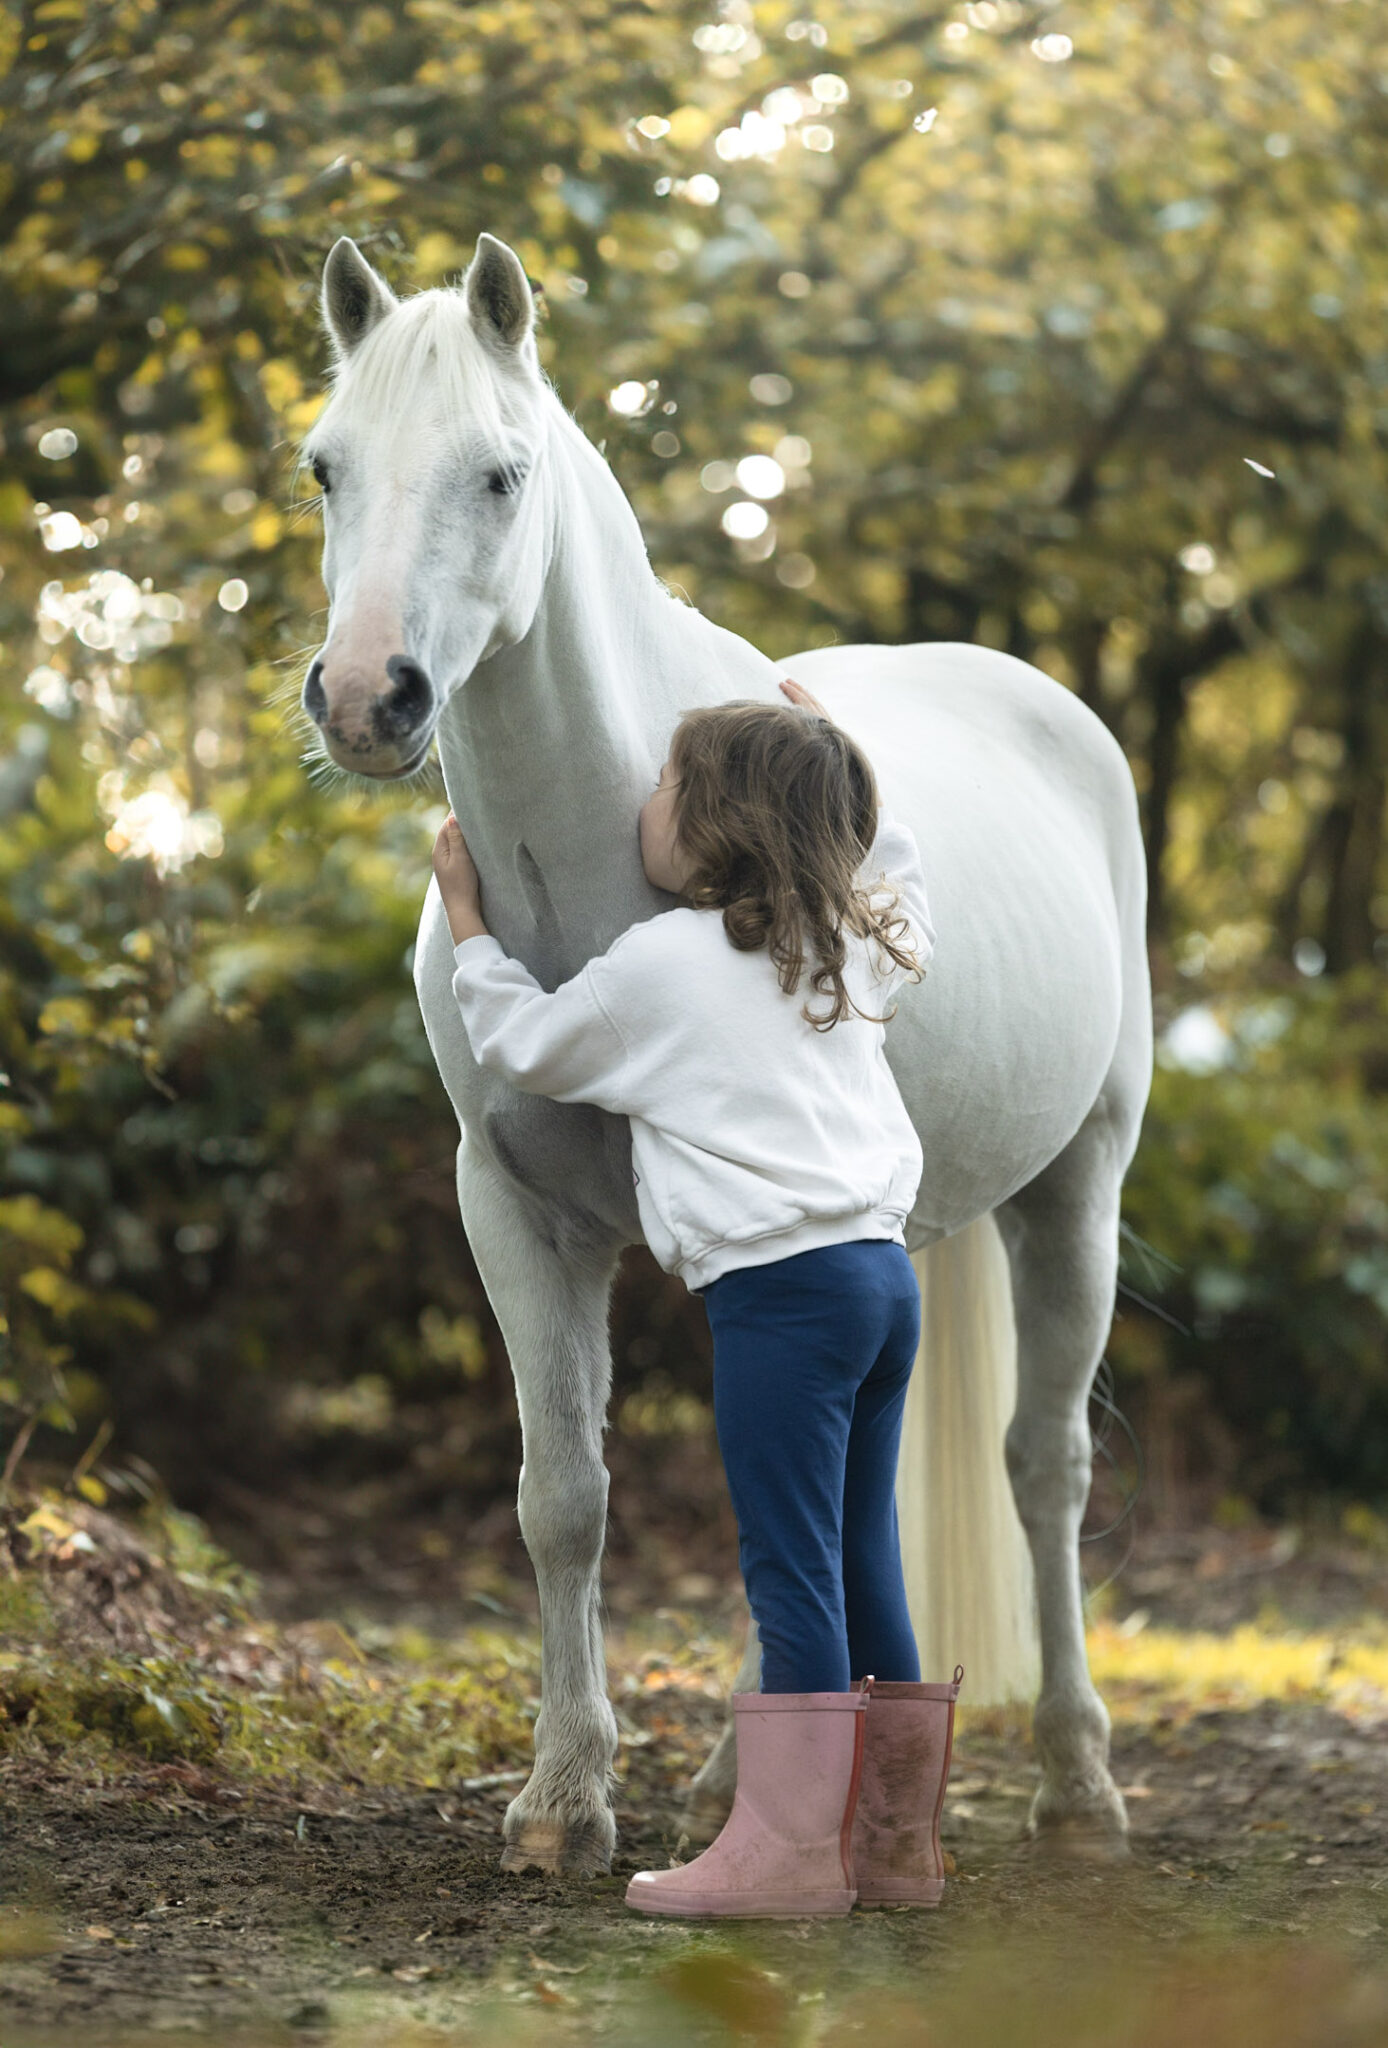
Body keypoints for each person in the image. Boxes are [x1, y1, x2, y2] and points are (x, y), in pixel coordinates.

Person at [431, 676, 961, 1919]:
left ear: (715, 820)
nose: (647, 801)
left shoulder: (663, 964)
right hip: (882, 1281)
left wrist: (466, 923)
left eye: (668, 783)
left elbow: (524, 1046)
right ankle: (893, 1846)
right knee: (860, 1549)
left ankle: (789, 1851)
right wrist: (848, 769)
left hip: (781, 1298)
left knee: (789, 1566)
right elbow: (910, 894)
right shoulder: (845, 938)